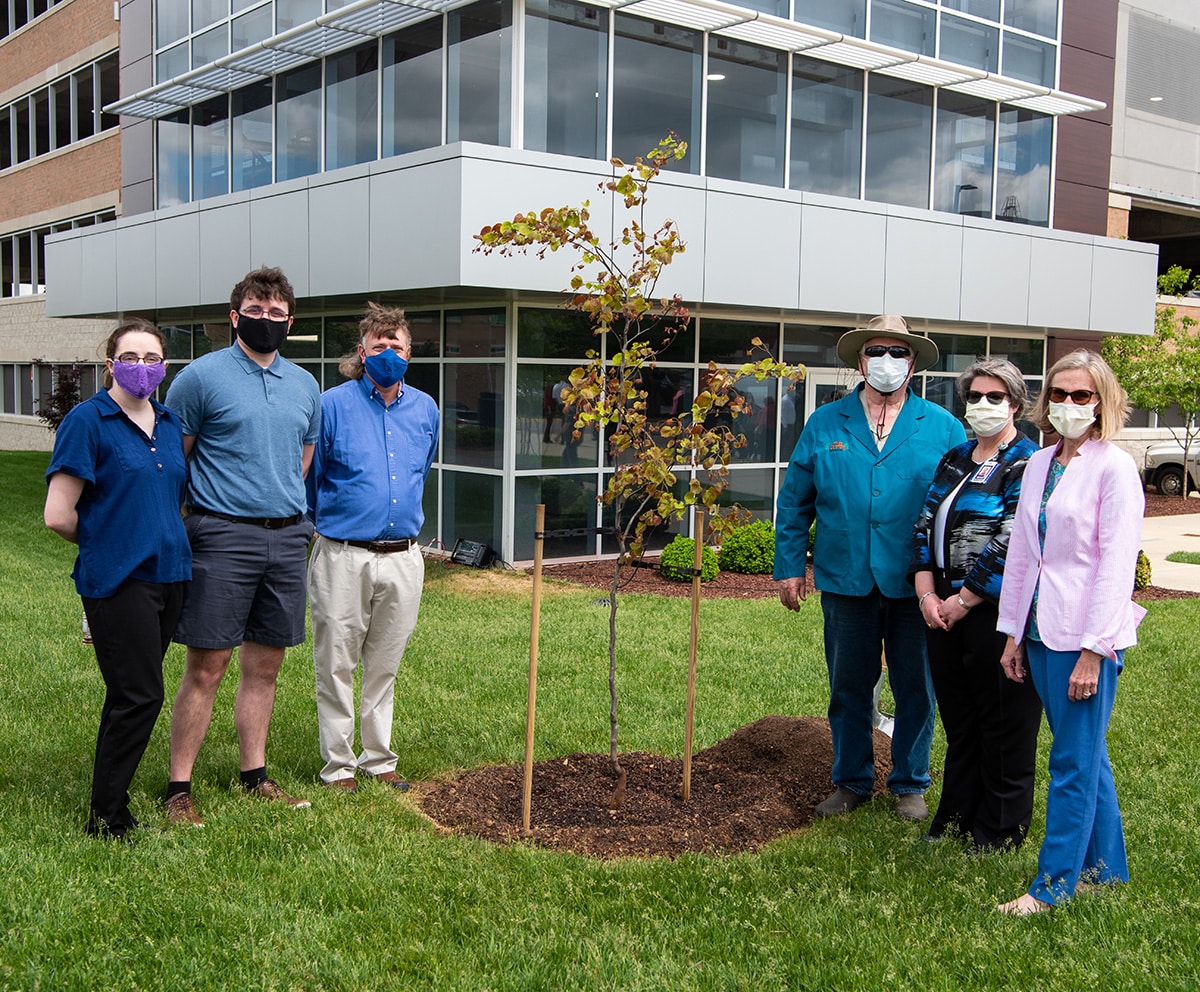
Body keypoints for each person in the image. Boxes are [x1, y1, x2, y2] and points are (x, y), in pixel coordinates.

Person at [775, 315, 966, 821]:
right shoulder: (825, 423)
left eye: (898, 352)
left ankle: (910, 783)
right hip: (846, 578)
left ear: (913, 363)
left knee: (915, 688)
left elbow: (959, 508)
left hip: (916, 584)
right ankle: (852, 780)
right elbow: (795, 501)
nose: (887, 361)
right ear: (860, 360)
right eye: (876, 351)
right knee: (849, 687)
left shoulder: (943, 427)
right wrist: (789, 567)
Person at [162, 266, 321, 827]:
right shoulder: (198, 379)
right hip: (220, 535)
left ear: (289, 320)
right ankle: (178, 786)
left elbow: (301, 457)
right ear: (235, 317)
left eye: (277, 313)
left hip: (286, 537)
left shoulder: (305, 385)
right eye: (255, 311)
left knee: (266, 664)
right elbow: (175, 457)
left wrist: (282, 506)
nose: (266, 320)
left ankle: (254, 773)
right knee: (208, 663)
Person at [995, 351, 1145, 915]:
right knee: (1086, 754)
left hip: (1085, 636)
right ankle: (1106, 869)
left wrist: (1093, 651)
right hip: (1038, 628)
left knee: (1072, 763)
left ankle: (1052, 886)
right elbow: (1023, 556)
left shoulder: (1115, 468)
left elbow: (1115, 566)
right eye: (1058, 394)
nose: (1067, 405)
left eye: (1081, 396)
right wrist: (1012, 632)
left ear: (1101, 402)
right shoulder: (1038, 463)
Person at [44, 318, 191, 840]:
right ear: (110, 364)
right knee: (142, 694)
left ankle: (107, 800)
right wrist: (110, 542)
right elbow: (58, 514)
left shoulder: (170, 423)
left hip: (171, 577)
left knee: (128, 692)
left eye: (153, 359)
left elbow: (170, 496)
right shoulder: (88, 421)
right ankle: (108, 817)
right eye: (131, 357)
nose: (142, 368)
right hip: (117, 580)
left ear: (164, 366)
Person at [909, 359, 1042, 850]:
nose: (982, 406)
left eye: (995, 397)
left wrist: (963, 601)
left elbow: (1012, 541)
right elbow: (923, 525)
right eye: (975, 396)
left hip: (993, 608)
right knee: (960, 722)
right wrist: (927, 594)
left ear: (1015, 404)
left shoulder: (1027, 462)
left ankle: (1000, 830)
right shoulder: (956, 457)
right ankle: (956, 818)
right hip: (940, 606)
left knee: (1002, 723)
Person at [307, 304, 439, 793]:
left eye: (397, 346)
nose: (388, 353)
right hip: (343, 555)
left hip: (404, 557)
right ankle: (338, 766)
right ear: (361, 352)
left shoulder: (426, 409)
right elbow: (312, 478)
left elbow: (421, 469)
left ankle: (378, 759)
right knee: (336, 662)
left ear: (410, 353)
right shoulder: (332, 405)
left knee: (384, 663)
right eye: (379, 346)